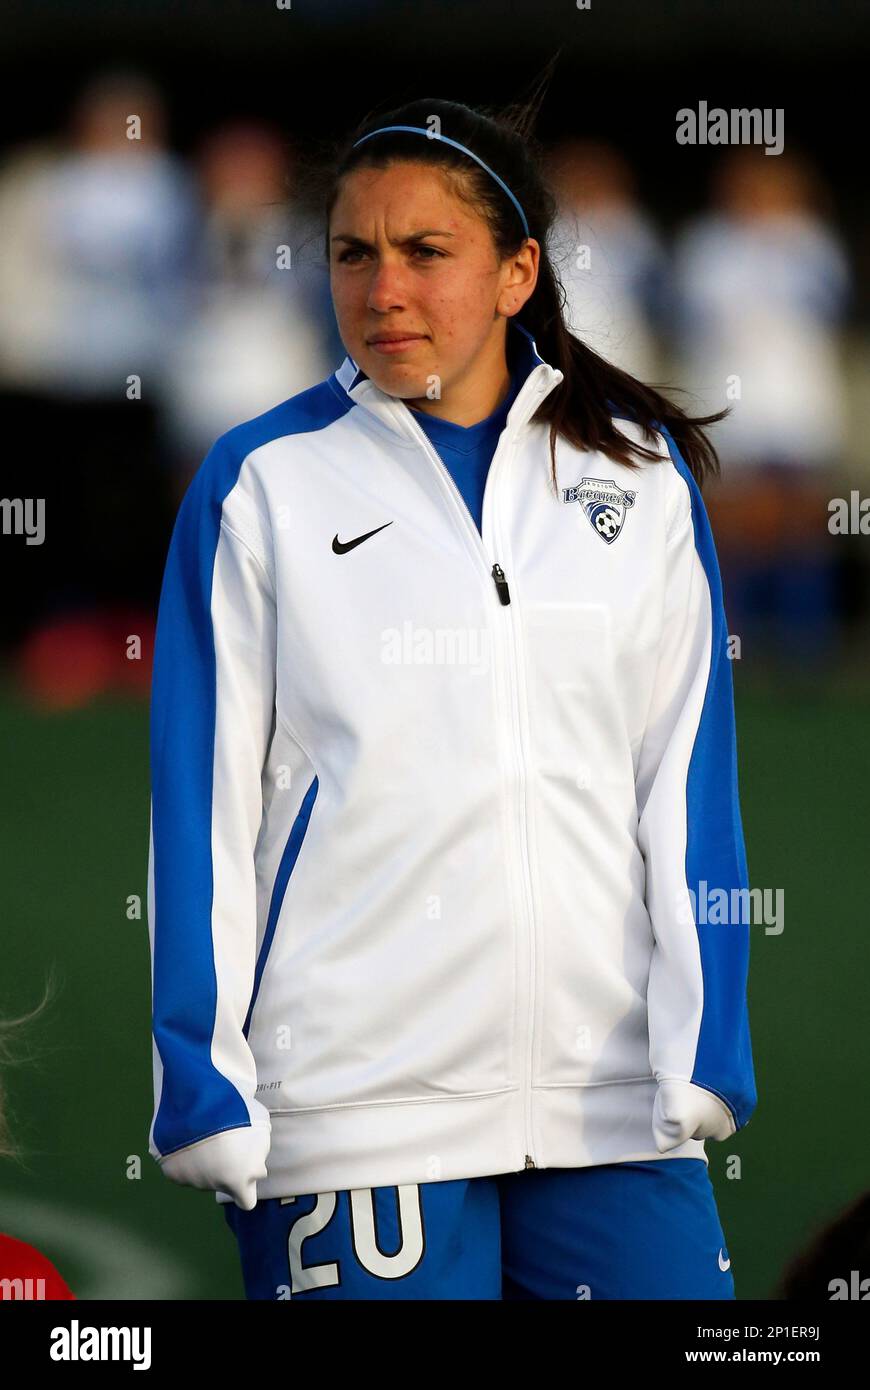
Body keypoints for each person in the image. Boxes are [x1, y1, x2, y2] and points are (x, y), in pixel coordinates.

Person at [146, 94, 758, 1300]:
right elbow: (199, 801)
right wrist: (201, 1080)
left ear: (518, 270)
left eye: (426, 251)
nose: (384, 290)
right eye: (353, 253)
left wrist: (703, 1051)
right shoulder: (258, 484)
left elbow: (686, 784)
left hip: (615, 1109)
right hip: (355, 1111)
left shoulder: (640, 477)